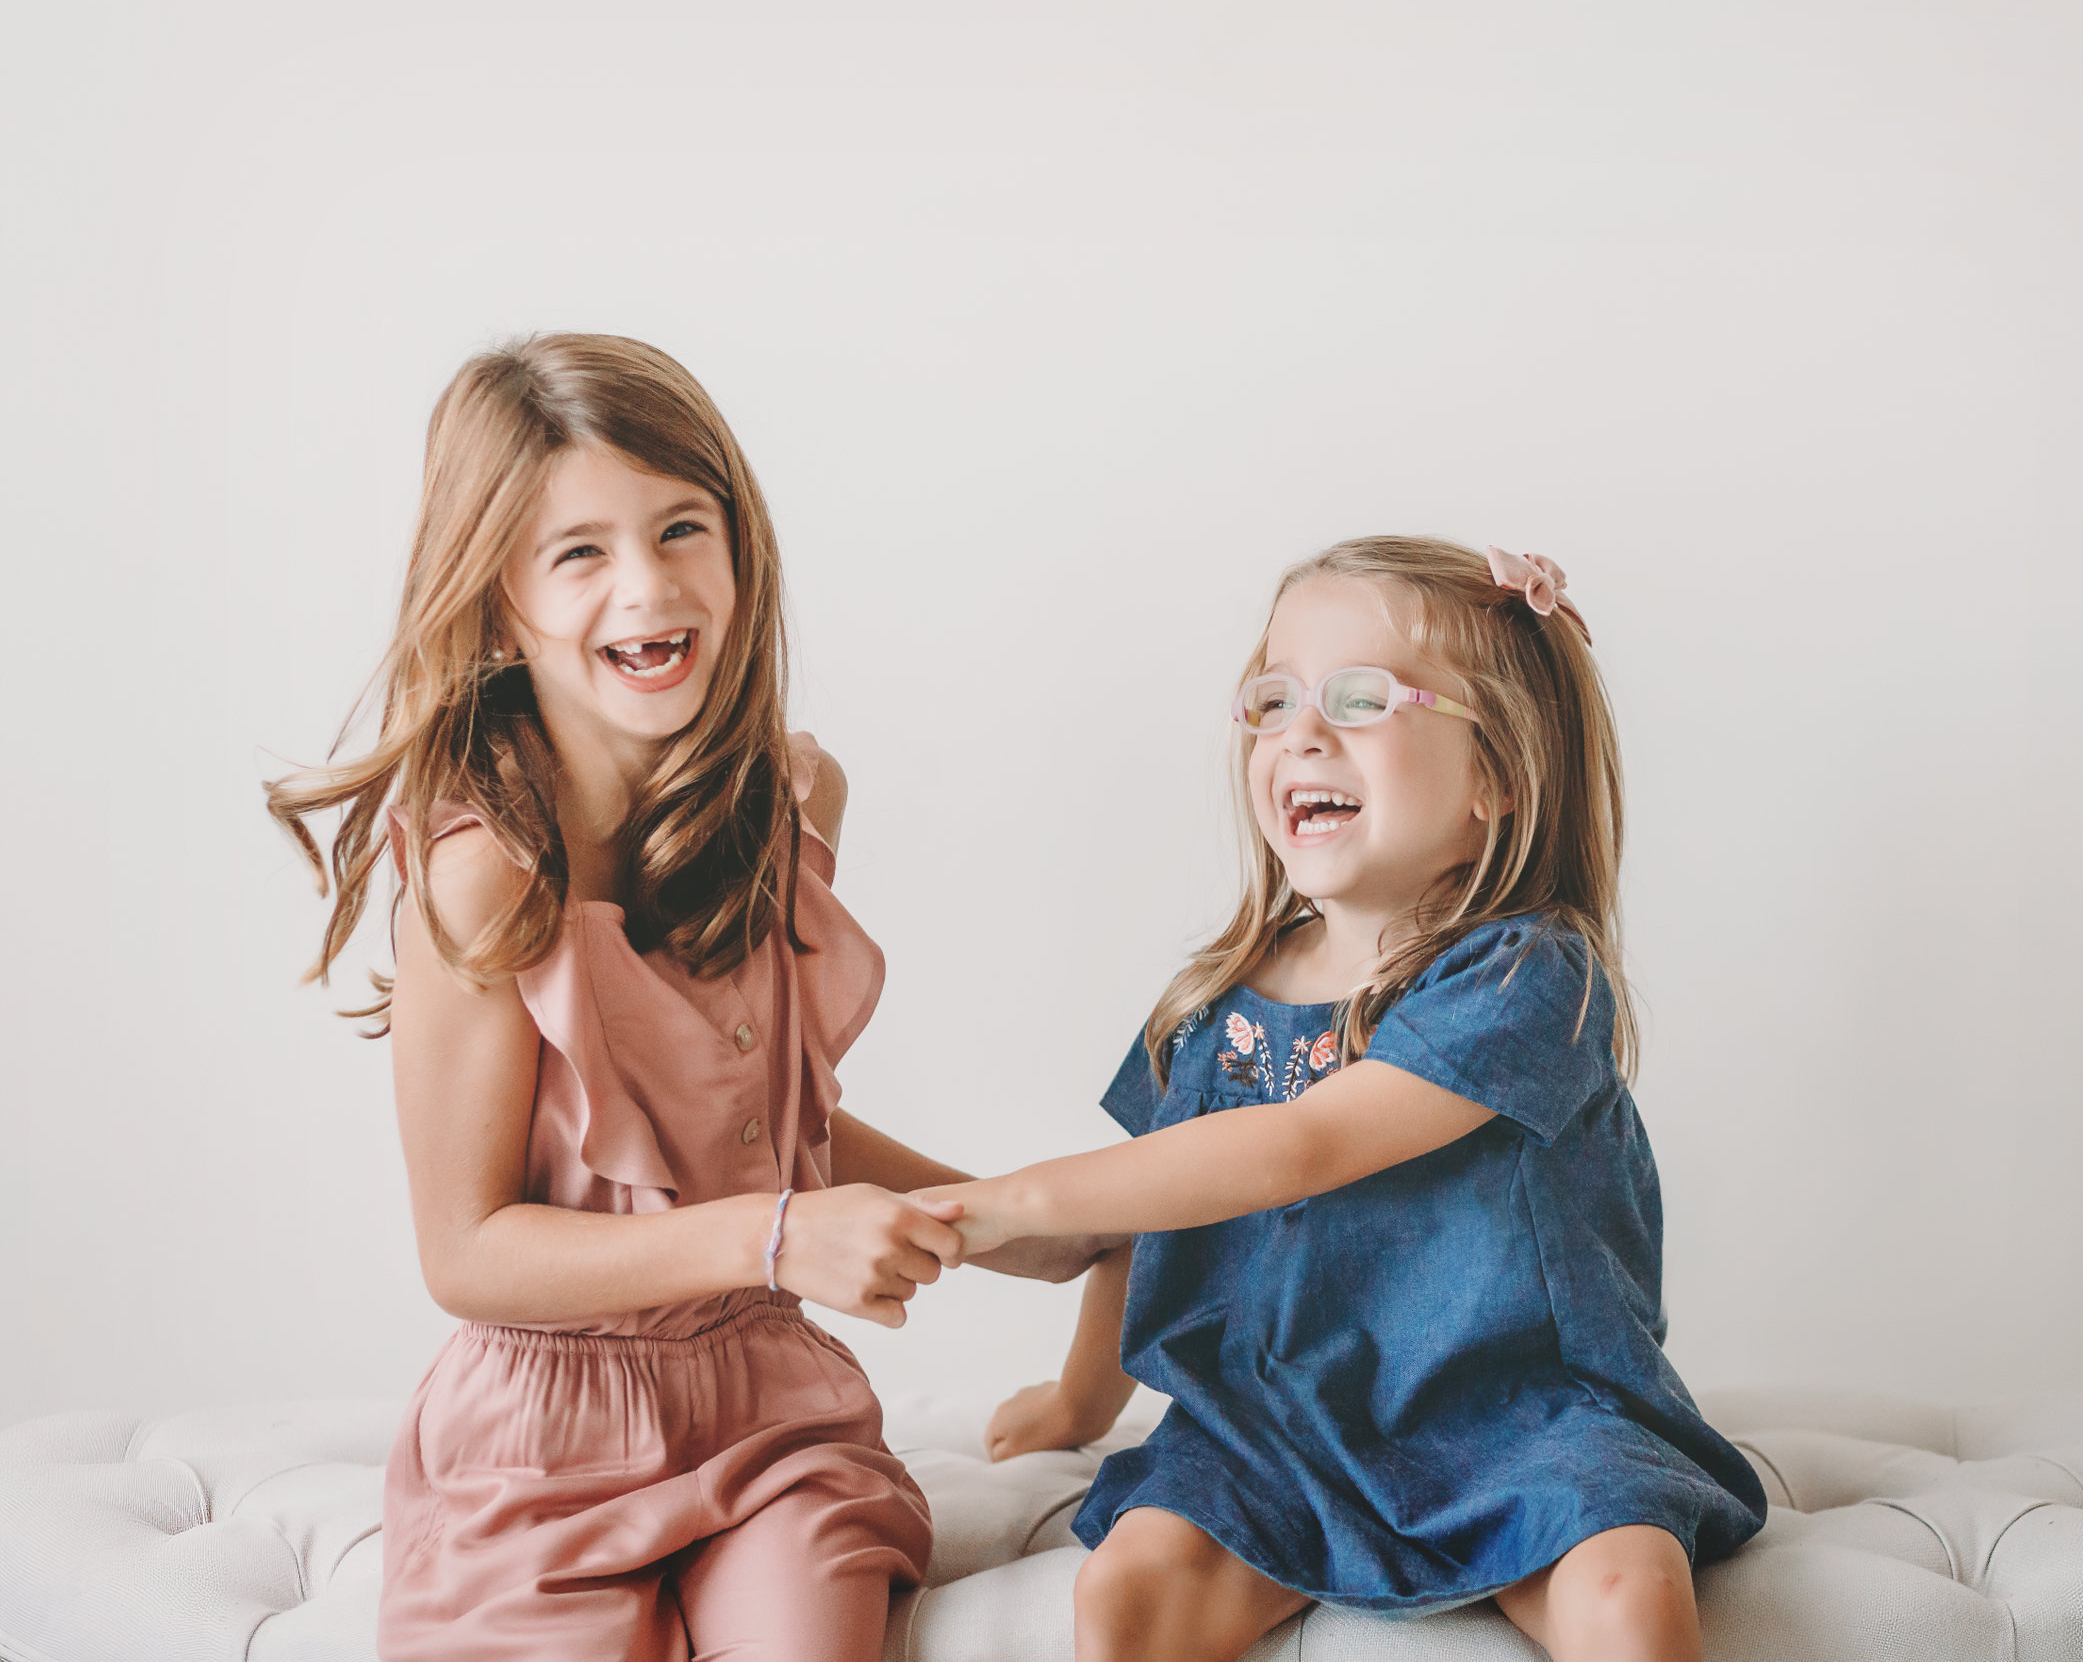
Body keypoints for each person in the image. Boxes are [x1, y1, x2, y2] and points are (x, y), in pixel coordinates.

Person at [267, 334, 1102, 1662]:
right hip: (541, 1449)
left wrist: (1020, 1223)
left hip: (775, 1421)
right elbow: (467, 1249)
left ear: (738, 547)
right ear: (496, 600)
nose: (648, 585)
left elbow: (756, 1140)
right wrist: (774, 1236)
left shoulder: (791, 800)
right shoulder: (482, 877)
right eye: (578, 551)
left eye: (679, 528)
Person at [917, 536, 1766, 1662]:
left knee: (1624, 1583)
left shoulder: (1526, 974)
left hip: (1521, 1417)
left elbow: (1302, 1144)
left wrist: (1007, 1201)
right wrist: (1080, 1402)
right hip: (1276, 1425)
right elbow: (1153, 1215)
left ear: (1499, 776)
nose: (1301, 733)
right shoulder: (1215, 998)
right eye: (1274, 700)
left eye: (1361, 699)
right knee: (1126, 1589)